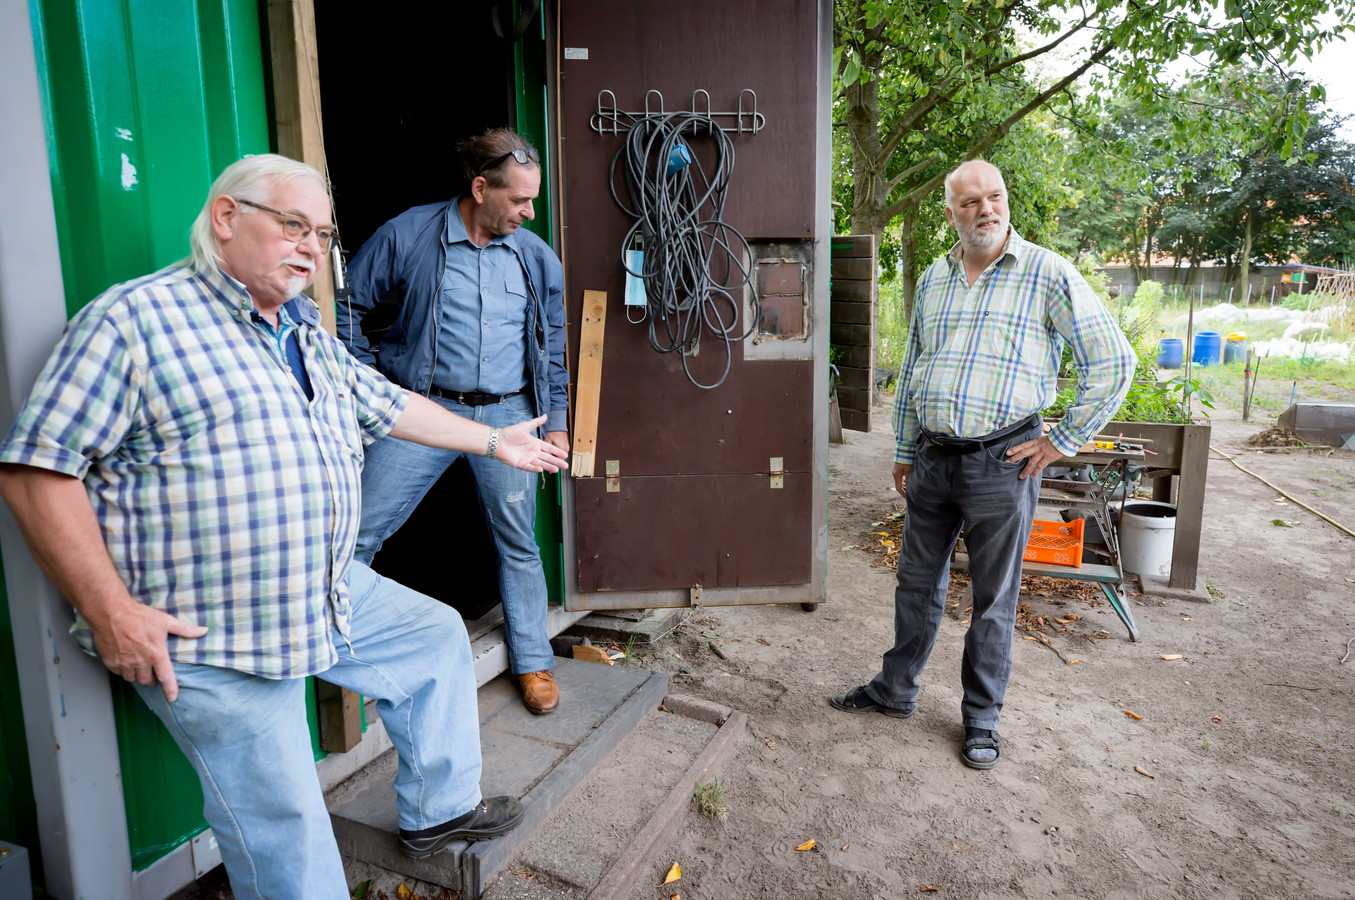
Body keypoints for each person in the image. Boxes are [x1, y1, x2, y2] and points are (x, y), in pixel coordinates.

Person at [0, 154, 568, 898]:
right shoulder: (136, 322)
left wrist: (494, 440)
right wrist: (110, 612)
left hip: (321, 591)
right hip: (217, 632)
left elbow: (389, 403)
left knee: (432, 638)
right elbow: (37, 472)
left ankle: (438, 812)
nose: (311, 248)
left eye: (323, 235)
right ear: (226, 218)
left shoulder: (302, 331)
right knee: (289, 826)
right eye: (294, 226)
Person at [828, 160, 1135, 770]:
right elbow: (914, 370)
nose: (985, 210)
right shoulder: (934, 279)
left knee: (993, 597)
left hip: (1004, 462)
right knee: (916, 584)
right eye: (970, 202)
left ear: (1006, 202)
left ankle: (981, 719)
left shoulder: (1047, 273)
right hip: (933, 457)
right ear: (952, 213)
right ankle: (895, 689)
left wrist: (1062, 441)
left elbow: (1113, 362)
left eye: (994, 197)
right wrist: (904, 449)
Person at [337, 127, 568, 715]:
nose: (530, 211)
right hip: (423, 409)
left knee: (518, 542)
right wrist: (372, 388)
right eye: (520, 199)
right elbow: (345, 306)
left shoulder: (535, 255)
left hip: (511, 416)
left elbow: (554, 343)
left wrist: (557, 420)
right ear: (480, 187)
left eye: (533, 199)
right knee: (357, 533)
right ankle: (346, 659)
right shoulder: (409, 233)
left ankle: (533, 660)